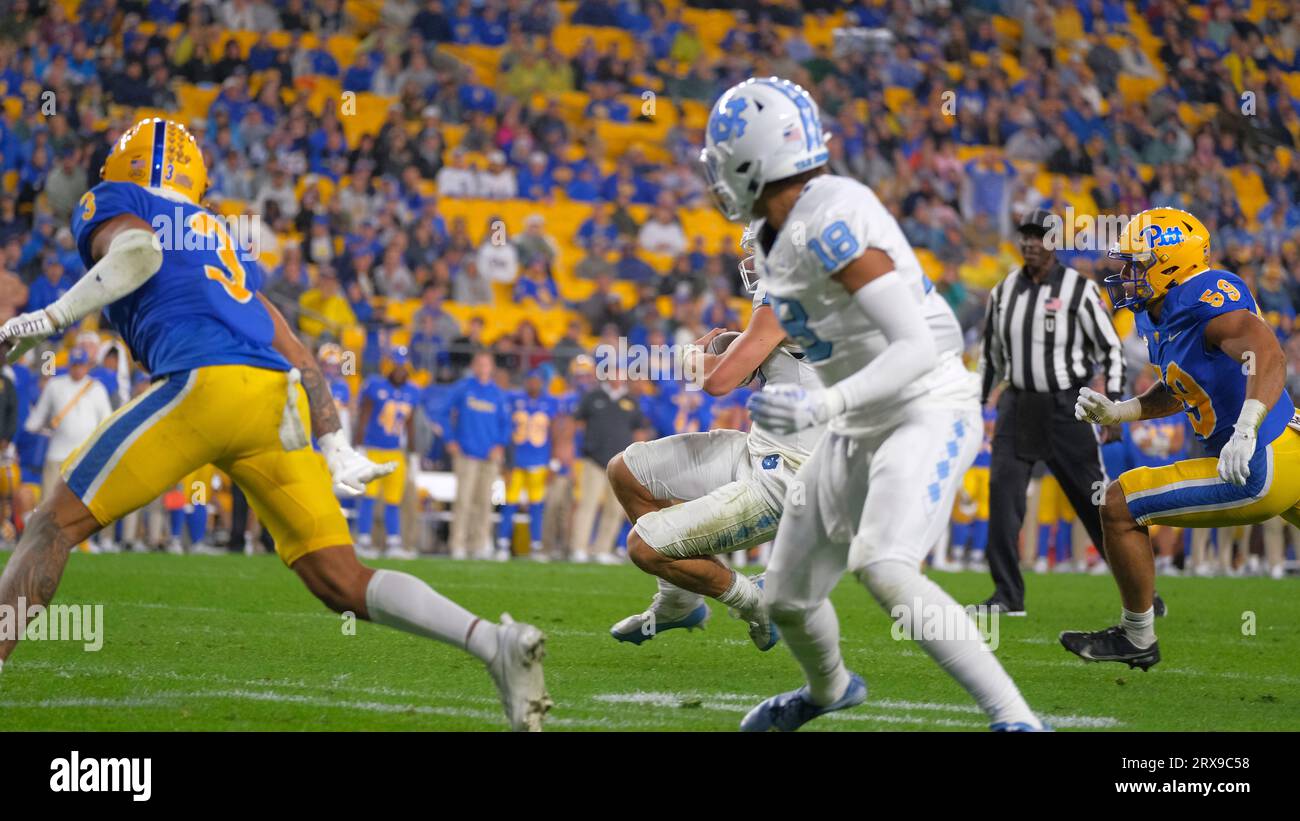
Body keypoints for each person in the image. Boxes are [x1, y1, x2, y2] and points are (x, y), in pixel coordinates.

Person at [0, 119, 550, 731]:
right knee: (342, 580)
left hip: (202, 385)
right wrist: (333, 440)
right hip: (274, 400)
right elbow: (293, 347)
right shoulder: (216, 234)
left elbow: (138, 252)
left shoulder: (116, 199)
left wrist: (49, 318)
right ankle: (493, 643)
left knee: (51, 524)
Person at [703, 78, 1045, 731]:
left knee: (883, 565)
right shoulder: (775, 231)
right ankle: (828, 690)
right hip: (858, 417)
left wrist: (821, 405)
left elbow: (916, 345)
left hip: (924, 403)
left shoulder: (830, 221)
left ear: (752, 162)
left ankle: (1018, 720)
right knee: (786, 597)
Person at [1064, 208, 1300, 671]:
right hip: (1286, 450)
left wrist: (1246, 427)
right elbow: (1182, 387)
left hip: (1259, 459)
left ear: (1172, 263)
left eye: (1137, 264)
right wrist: (1121, 410)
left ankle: (1137, 636)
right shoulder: (1157, 314)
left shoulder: (1204, 297)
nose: (1126, 276)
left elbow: (1268, 355)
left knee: (1118, 505)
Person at [606, 225, 823, 650]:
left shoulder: (789, 295)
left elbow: (719, 382)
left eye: (761, 249)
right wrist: (727, 348)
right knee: (627, 471)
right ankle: (679, 601)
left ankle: (755, 603)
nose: (753, 260)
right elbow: (750, 366)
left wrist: (690, 355)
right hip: (762, 451)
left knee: (645, 547)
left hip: (787, 478)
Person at [976, 208, 1127, 615]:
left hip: (1067, 406)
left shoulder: (1080, 289)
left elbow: (1111, 349)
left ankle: (1140, 590)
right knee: (1003, 497)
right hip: (1017, 406)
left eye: (1038, 236)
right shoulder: (1004, 291)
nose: (1029, 242)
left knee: (1096, 503)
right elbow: (990, 357)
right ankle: (1007, 594)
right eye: (1025, 235)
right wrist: (977, 407)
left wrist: (1113, 405)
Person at [353, 346, 421, 559]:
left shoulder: (413, 391)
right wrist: (358, 447)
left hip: (395, 453)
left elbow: (410, 424)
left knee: (393, 499)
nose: (400, 370)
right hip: (373, 450)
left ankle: (393, 542)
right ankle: (364, 540)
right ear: (388, 366)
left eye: (403, 366)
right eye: (396, 366)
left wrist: (413, 453)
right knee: (369, 498)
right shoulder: (375, 385)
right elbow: (363, 416)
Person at [24, 347, 112, 502]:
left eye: (81, 365)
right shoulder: (54, 385)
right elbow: (35, 420)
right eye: (75, 365)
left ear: (87, 366)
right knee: (48, 501)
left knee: (82, 504)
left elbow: (106, 422)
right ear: (69, 365)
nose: (78, 369)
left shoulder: (97, 388)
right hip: (57, 453)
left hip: (84, 456)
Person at [446, 349, 509, 560]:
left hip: (490, 456)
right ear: (473, 366)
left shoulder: (498, 394)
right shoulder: (463, 388)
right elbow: (442, 412)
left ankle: (480, 543)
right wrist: (450, 439)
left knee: (485, 502)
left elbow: (506, 423)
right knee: (464, 500)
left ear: (492, 368)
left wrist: (500, 444)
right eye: (479, 364)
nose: (483, 368)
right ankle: (458, 543)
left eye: (486, 364)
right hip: (466, 454)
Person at [497, 368, 561, 561]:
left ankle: (536, 545)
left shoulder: (551, 402)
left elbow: (555, 434)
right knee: (509, 503)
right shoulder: (513, 399)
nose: (533, 384)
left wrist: (553, 463)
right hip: (516, 462)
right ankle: (502, 543)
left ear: (542, 383)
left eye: (536, 381)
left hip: (539, 462)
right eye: (530, 380)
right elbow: (505, 428)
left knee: (536, 506)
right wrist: (505, 461)